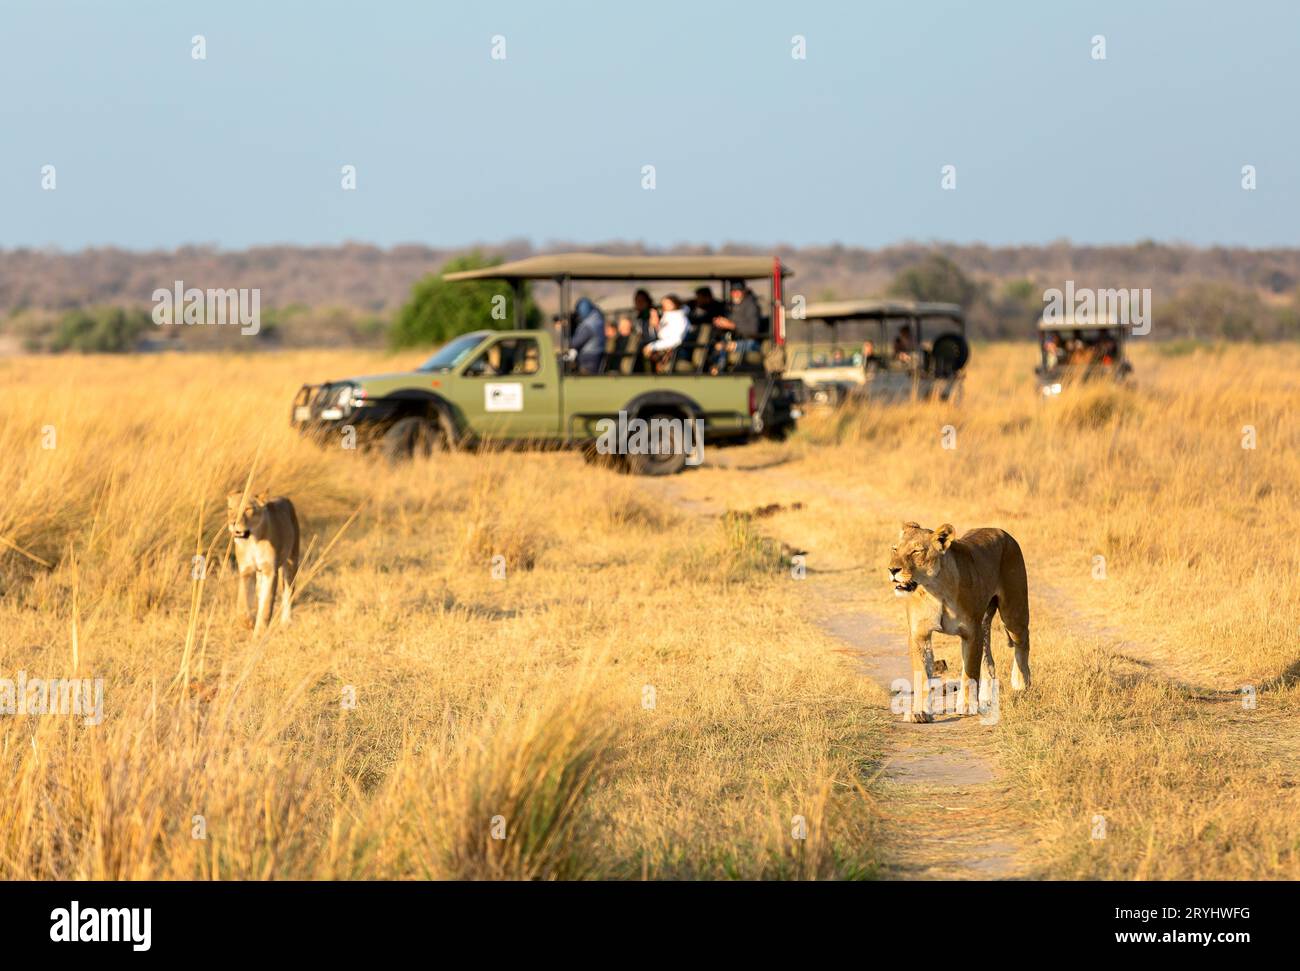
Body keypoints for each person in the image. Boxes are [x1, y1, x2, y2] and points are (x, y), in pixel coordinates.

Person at [643, 294, 688, 371]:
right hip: (664, 351)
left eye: (667, 303)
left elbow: (676, 340)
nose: (664, 306)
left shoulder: (681, 319)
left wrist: (653, 346)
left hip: (678, 352)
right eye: (663, 304)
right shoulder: (664, 318)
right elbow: (656, 337)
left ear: (675, 304)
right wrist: (654, 326)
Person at [568, 297, 606, 375]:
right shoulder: (597, 319)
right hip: (593, 358)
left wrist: (569, 330)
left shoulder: (590, 324)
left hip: (589, 361)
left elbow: (575, 343)